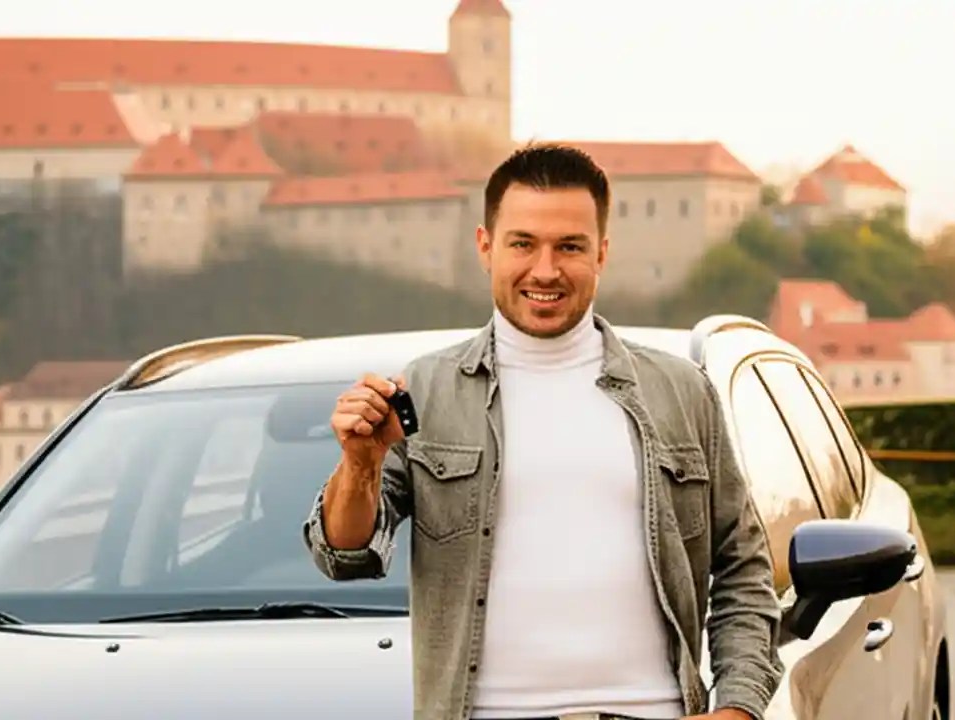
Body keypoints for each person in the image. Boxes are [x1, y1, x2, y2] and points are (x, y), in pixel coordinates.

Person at [303, 143, 784, 720]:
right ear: (486, 247)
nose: (546, 270)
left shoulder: (681, 391)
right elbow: (346, 556)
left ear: (602, 253)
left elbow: (743, 568)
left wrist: (739, 707)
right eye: (523, 244)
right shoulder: (425, 390)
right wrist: (360, 464)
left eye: (570, 247)